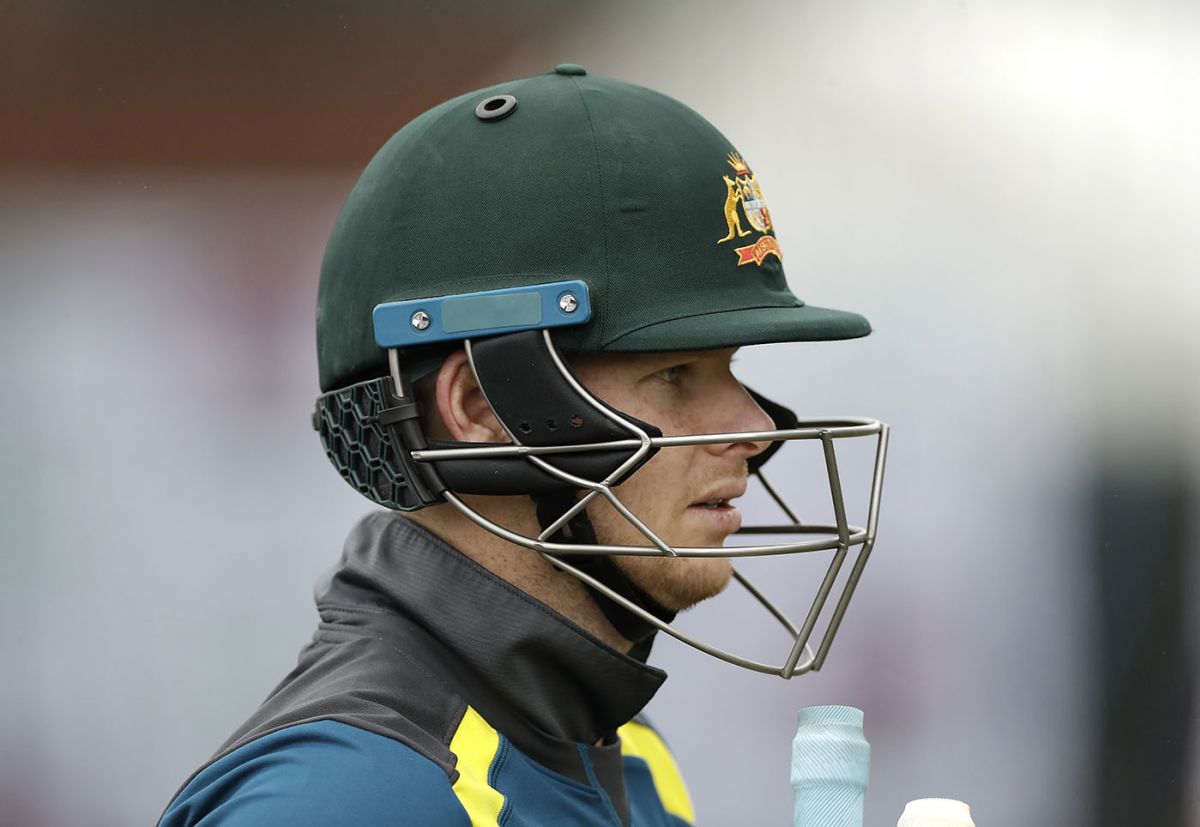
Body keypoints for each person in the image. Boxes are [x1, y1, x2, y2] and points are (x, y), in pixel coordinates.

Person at [159, 63, 888, 826]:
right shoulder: (344, 802)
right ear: (480, 407)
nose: (756, 427)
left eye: (729, 368)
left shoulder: (630, 757)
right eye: (674, 374)